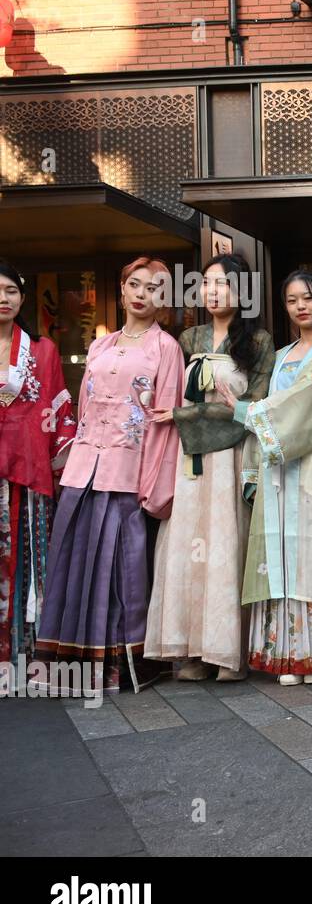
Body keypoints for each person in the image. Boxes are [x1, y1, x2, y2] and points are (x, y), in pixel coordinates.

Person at [34, 256, 184, 694]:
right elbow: (84, 410)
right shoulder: (100, 346)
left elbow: (165, 420)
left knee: (123, 570)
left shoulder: (166, 349)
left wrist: (153, 483)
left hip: (129, 473)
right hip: (84, 469)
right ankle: (70, 662)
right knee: (74, 562)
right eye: (134, 285)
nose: (142, 294)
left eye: (154, 288)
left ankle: (125, 664)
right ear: (121, 291)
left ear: (164, 298)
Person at [215, 269, 312, 685]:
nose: (300, 306)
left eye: (307, 298)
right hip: (280, 466)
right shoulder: (280, 356)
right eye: (291, 300)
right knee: (284, 553)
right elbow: (276, 405)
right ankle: (290, 653)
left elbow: (308, 403)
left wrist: (245, 411)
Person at [144, 253, 275, 682]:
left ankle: (227, 652)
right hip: (189, 462)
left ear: (243, 294)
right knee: (187, 550)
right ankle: (193, 651)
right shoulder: (187, 338)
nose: (214, 292)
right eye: (208, 284)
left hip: (231, 459)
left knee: (225, 547)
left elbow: (254, 406)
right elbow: (169, 394)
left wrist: (184, 416)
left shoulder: (258, 343)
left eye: (225, 284)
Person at [0, 259, 76, 668]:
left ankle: (27, 651)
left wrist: (56, 464)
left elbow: (60, 410)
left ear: (23, 297)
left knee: (29, 562)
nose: (3, 298)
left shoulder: (43, 351)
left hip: (30, 474)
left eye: (11, 290)